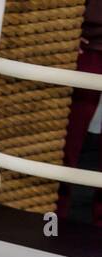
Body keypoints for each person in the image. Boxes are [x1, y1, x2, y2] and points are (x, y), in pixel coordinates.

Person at [57, 0, 102, 227]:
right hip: (84, 49)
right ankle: (48, 232)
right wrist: (62, 31)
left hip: (87, 46)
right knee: (59, 151)